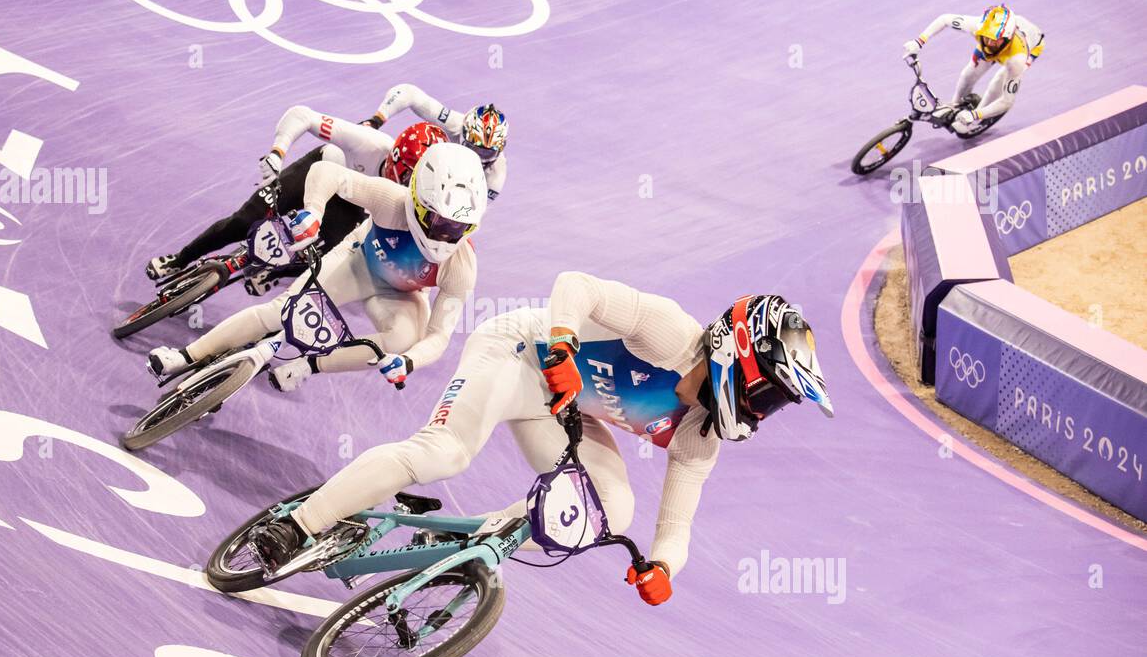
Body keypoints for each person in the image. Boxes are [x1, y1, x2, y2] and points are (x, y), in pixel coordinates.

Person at [250, 273, 833, 605]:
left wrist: (662, 568)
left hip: (560, 408)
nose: (764, 412)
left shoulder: (698, 435)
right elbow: (576, 286)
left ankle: (481, 541)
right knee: (444, 453)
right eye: (771, 394)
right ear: (738, 356)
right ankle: (298, 524)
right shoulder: (670, 333)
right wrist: (563, 346)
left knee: (612, 509)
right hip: (518, 355)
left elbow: (675, 528)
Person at [146, 142, 488, 394]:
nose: (445, 235)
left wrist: (410, 361)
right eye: (438, 221)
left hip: (400, 296)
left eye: (459, 228)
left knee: (402, 341)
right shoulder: (391, 201)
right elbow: (328, 173)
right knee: (277, 314)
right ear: (417, 201)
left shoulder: (460, 268)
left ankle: (307, 366)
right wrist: (313, 212)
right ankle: (184, 356)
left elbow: (439, 335)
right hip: (357, 262)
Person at [143, 104, 446, 291]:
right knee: (244, 221)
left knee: (324, 260)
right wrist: (278, 151)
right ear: (392, 154)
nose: (402, 182)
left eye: (411, 180)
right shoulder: (369, 142)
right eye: (401, 171)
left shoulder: (420, 194)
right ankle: (180, 259)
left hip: (353, 204)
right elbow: (304, 115)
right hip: (321, 170)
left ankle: (276, 275)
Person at [903, 4, 1045, 132]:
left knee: (997, 83)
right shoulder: (979, 27)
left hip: (1029, 48)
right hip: (1007, 42)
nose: (989, 43)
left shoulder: (1017, 59)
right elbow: (944, 19)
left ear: (1007, 39)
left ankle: (975, 119)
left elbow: (1007, 101)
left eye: (995, 40)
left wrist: (974, 115)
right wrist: (919, 41)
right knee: (967, 74)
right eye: (986, 37)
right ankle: (956, 105)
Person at [367, 84, 509, 201]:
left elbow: (473, 211)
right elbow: (410, 93)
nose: (478, 157)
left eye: (486, 153)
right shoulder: (454, 124)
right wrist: (376, 120)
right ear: (463, 133)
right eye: (474, 149)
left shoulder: (495, 177)